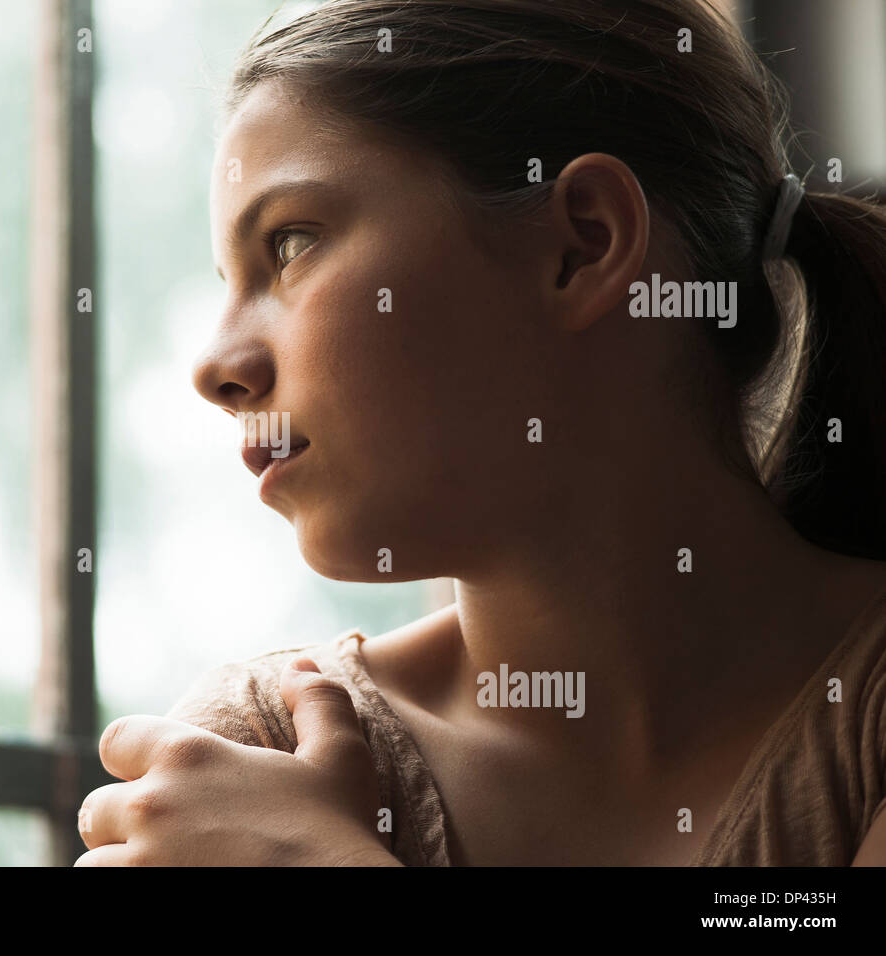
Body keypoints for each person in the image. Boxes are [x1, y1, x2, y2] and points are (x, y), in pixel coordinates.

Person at [76, 0, 886, 866]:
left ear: (584, 243)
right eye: (228, 280)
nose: (214, 366)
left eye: (291, 243)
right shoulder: (251, 756)